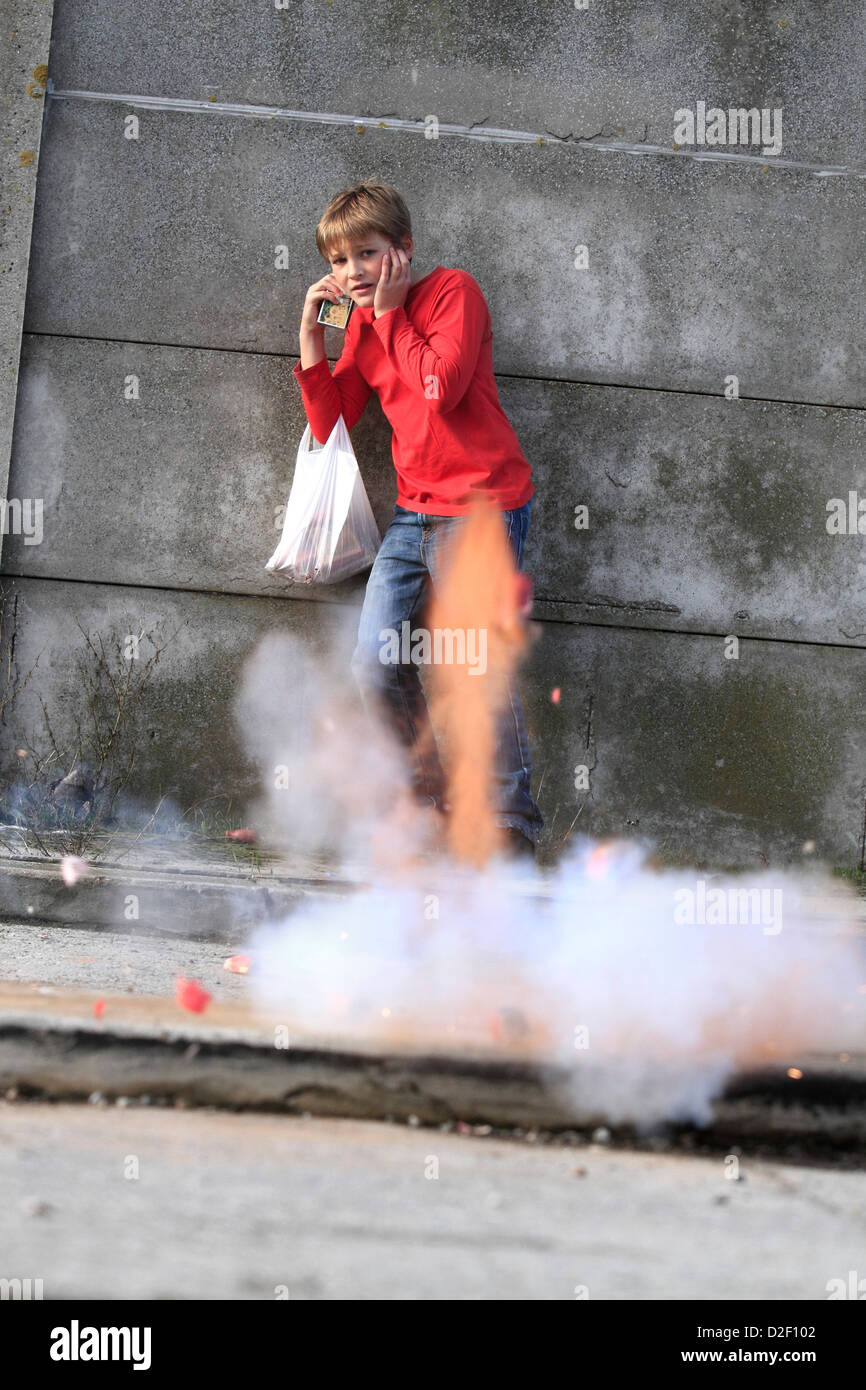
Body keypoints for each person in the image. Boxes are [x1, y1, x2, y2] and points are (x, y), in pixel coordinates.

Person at [294, 180, 543, 859]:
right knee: (375, 662)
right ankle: (431, 808)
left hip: (483, 508)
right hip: (415, 515)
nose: (351, 273)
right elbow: (334, 422)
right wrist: (314, 339)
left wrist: (393, 313)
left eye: (366, 255)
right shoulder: (364, 325)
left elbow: (440, 389)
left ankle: (511, 831)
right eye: (339, 261)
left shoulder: (452, 292)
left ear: (403, 250)